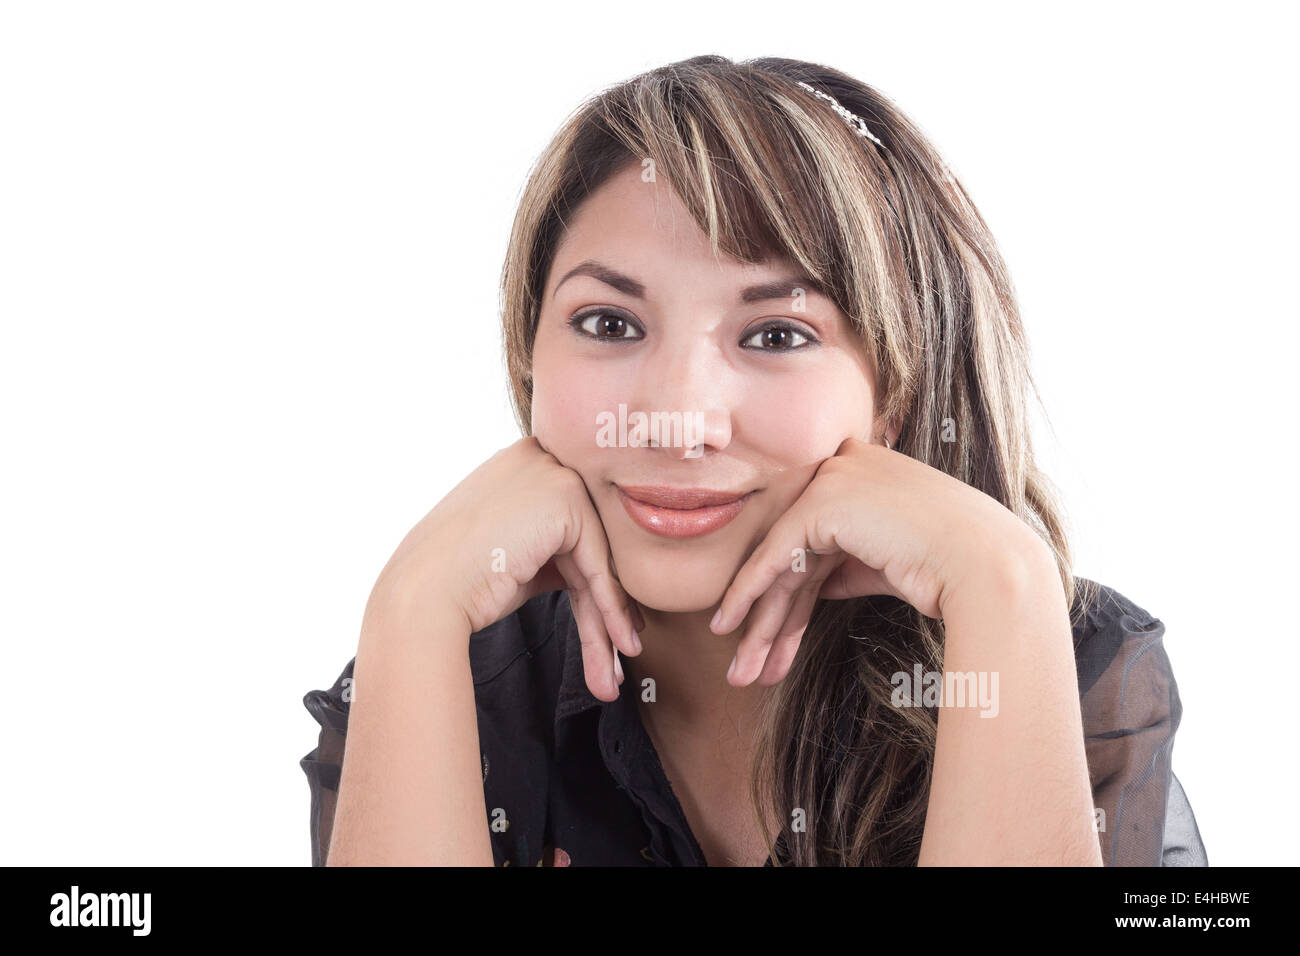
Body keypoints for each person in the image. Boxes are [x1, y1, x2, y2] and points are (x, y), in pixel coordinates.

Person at [300, 54, 1207, 867]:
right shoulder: (450, 678)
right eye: (609, 324)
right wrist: (412, 609)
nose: (677, 422)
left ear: (894, 386)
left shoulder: (1047, 653)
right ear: (530, 354)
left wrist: (1004, 582)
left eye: (776, 333)